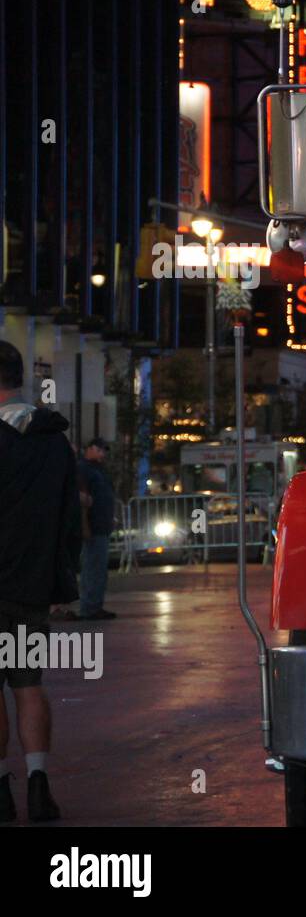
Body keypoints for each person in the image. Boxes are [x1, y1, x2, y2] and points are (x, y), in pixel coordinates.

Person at [0, 340, 77, 822]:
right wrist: (58, 581)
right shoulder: (53, 438)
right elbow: (69, 517)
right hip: (31, 585)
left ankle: (1, 794)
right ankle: (38, 783)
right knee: (29, 685)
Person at [76, 437, 116, 621]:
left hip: (99, 525)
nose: (102, 453)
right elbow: (82, 498)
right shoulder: (84, 469)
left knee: (97, 568)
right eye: (99, 449)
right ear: (90, 449)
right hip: (94, 526)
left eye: (104, 450)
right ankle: (90, 607)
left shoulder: (95, 470)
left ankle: (93, 605)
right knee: (93, 568)